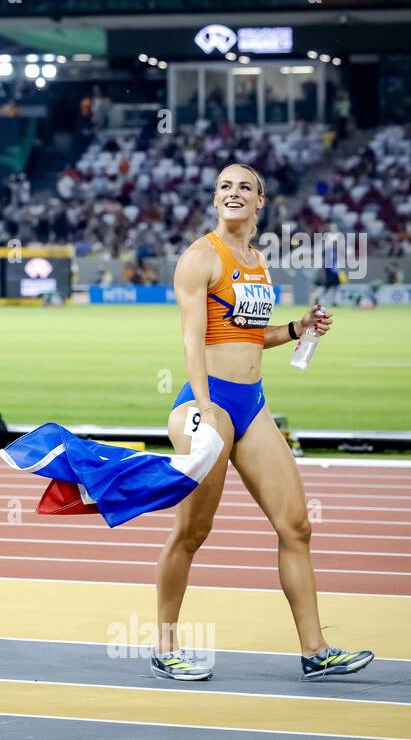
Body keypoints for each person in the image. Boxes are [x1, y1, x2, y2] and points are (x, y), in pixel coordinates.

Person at [156, 164, 374, 682]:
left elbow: (251, 338)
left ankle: (315, 651)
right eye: (225, 186)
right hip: (205, 404)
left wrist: (298, 327)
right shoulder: (199, 257)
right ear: (215, 199)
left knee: (296, 525)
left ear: (260, 203)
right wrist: (206, 408)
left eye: (244, 188)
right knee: (193, 531)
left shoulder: (257, 262)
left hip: (252, 406)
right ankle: (165, 645)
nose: (234, 193)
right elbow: (192, 342)